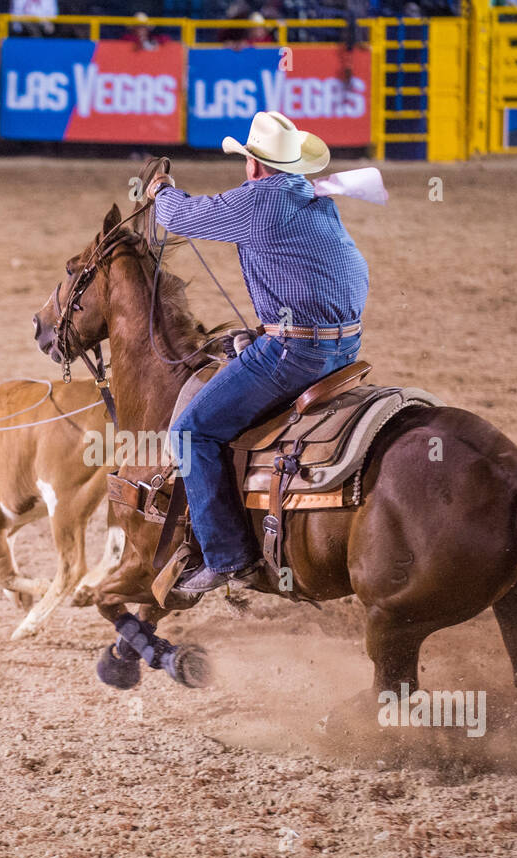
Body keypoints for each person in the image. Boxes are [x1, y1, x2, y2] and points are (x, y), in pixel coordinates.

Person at [145, 112, 369, 594]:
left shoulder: (258, 200)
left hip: (297, 352)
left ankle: (227, 558)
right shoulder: (313, 194)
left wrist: (161, 192)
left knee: (190, 432)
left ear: (252, 163)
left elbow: (185, 216)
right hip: (345, 343)